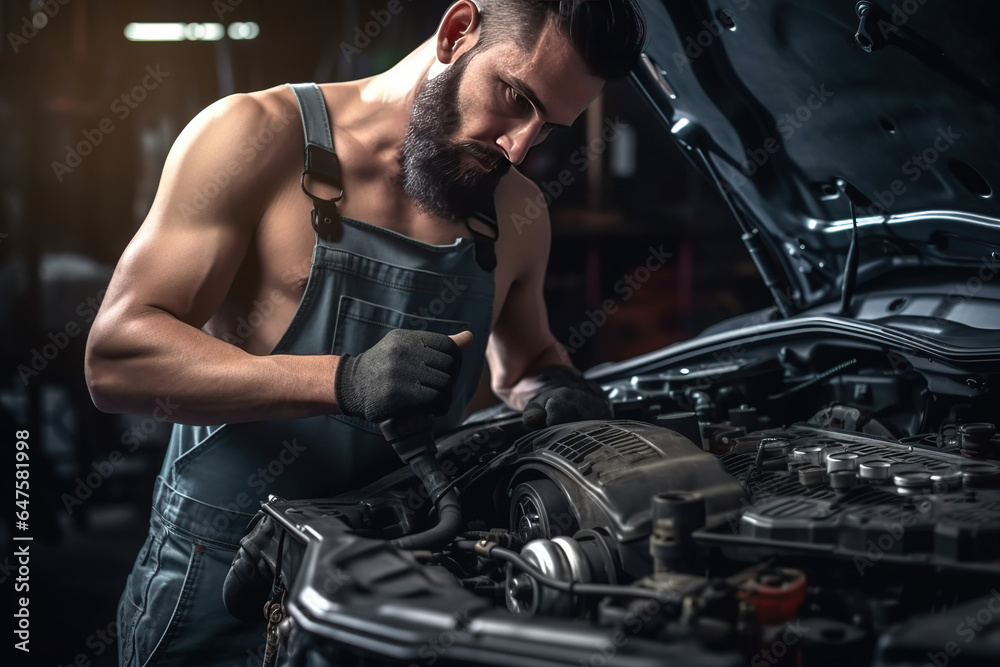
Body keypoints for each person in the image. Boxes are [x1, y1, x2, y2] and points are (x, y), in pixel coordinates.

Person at [84, 1, 646, 665]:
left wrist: (552, 383)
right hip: (222, 575)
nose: (519, 146)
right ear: (456, 31)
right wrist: (343, 379)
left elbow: (524, 362)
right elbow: (116, 358)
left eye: (547, 126)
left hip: (397, 580)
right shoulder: (255, 136)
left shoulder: (517, 212)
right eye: (514, 97)